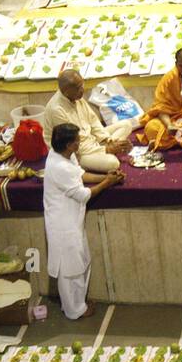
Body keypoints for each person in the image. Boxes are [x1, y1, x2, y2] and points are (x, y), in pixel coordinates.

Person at [44, 123, 121, 320]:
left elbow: (81, 175)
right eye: (77, 141)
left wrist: (107, 176)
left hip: (71, 221)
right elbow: (83, 194)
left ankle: (78, 303)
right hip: (63, 224)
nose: (80, 143)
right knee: (70, 269)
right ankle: (74, 310)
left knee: (81, 261)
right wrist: (107, 183)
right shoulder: (59, 166)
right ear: (69, 145)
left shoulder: (62, 154)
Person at [42, 69, 129, 173]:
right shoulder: (56, 110)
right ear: (66, 92)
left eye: (82, 84)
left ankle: (105, 152)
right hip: (77, 153)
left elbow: (93, 121)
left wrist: (106, 140)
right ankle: (103, 155)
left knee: (126, 125)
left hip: (92, 141)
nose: (82, 90)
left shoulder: (75, 96)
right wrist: (107, 149)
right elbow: (72, 145)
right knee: (113, 163)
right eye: (78, 88)